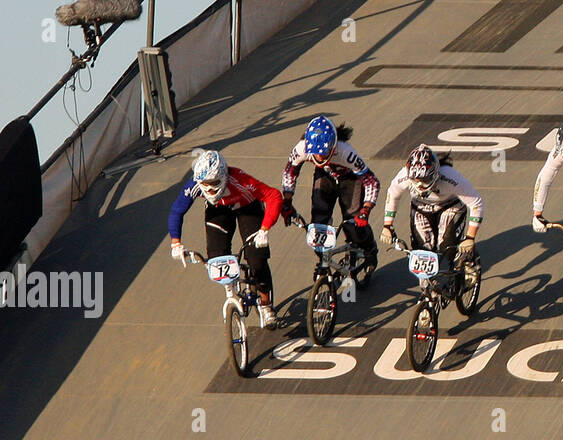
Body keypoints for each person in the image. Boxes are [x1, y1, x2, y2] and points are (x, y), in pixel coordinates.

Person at [168, 150, 284, 328]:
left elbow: (273, 195)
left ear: (223, 176)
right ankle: (230, 291)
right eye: (204, 184)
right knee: (215, 255)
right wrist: (175, 242)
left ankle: (266, 305)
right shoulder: (196, 185)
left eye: (214, 183)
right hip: (219, 210)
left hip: (248, 207)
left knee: (256, 259)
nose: (209, 188)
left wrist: (264, 229)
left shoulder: (240, 180)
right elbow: (177, 210)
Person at [281, 115, 381, 274]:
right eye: (316, 152)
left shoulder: (346, 153)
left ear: (334, 146)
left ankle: (369, 249)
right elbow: (290, 172)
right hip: (325, 176)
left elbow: (371, 181)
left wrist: (365, 210)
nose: (320, 156)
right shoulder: (302, 148)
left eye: (325, 152)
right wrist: (287, 201)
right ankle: (324, 260)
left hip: (350, 180)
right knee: (317, 229)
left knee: (353, 224)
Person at [380, 145, 483, 265]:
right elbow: (392, 195)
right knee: (422, 250)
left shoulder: (451, 178)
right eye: (415, 180)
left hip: (450, 206)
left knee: (447, 247)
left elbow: (476, 202)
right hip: (421, 207)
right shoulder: (404, 175)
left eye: (424, 180)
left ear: (435, 174)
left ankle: (469, 261)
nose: (419, 185)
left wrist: (470, 237)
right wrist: (388, 225)